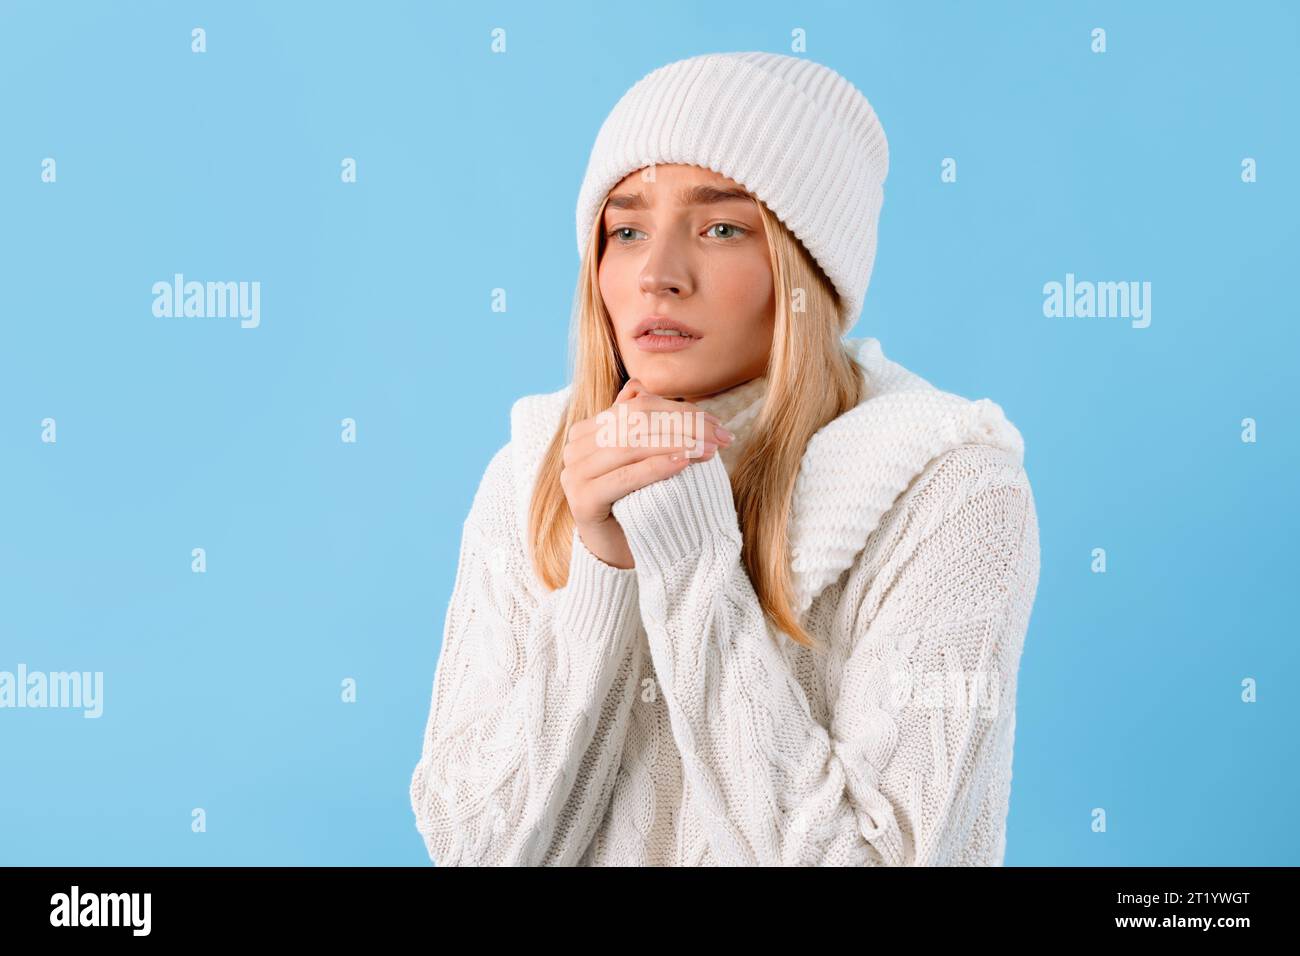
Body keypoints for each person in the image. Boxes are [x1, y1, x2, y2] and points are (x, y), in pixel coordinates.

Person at [409, 51, 1041, 866]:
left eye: (721, 228)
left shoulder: (950, 488)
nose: (656, 275)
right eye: (626, 229)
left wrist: (691, 555)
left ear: (805, 270)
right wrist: (603, 571)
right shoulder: (534, 472)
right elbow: (475, 849)